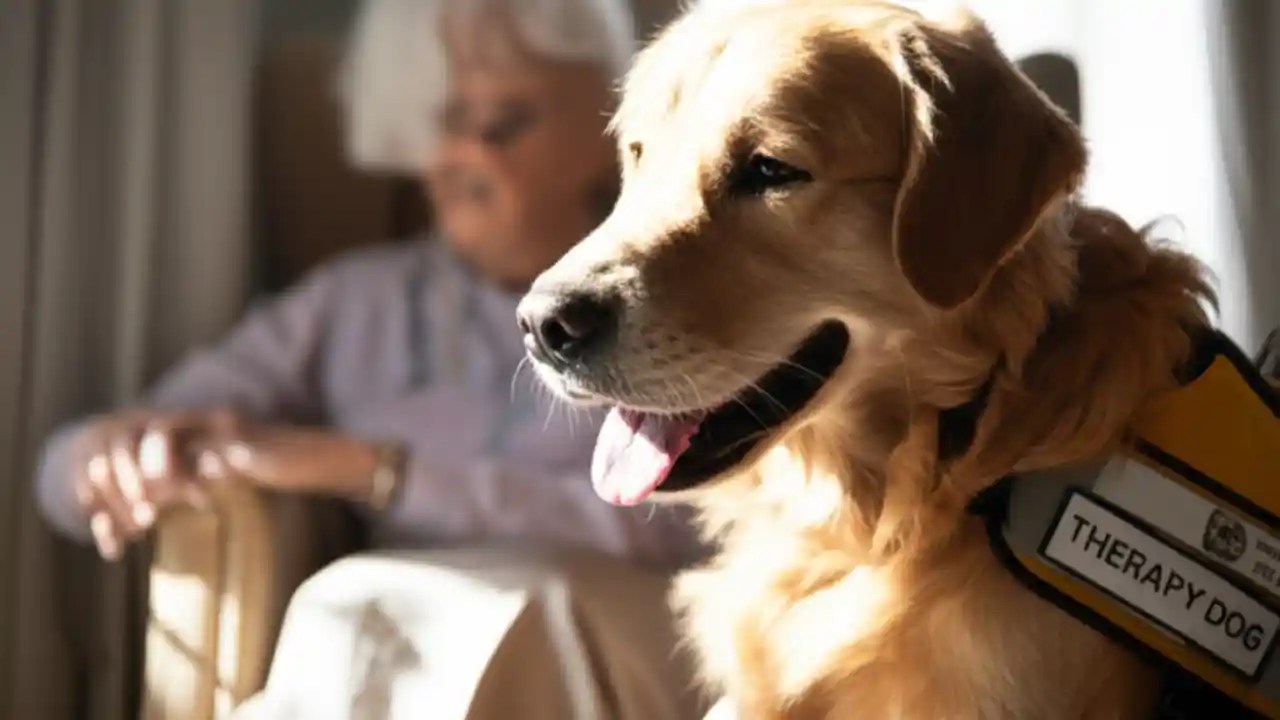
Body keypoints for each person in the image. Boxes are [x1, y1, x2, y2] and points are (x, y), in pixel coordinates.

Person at [34, 0, 706, 717]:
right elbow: (71, 470)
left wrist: (375, 471)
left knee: (529, 604)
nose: (461, 156)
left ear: (603, 135)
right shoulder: (358, 300)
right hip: (396, 620)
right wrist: (111, 458)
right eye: (445, 123)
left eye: (504, 124)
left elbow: (682, 529)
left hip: (608, 625)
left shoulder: (671, 293)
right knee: (347, 604)